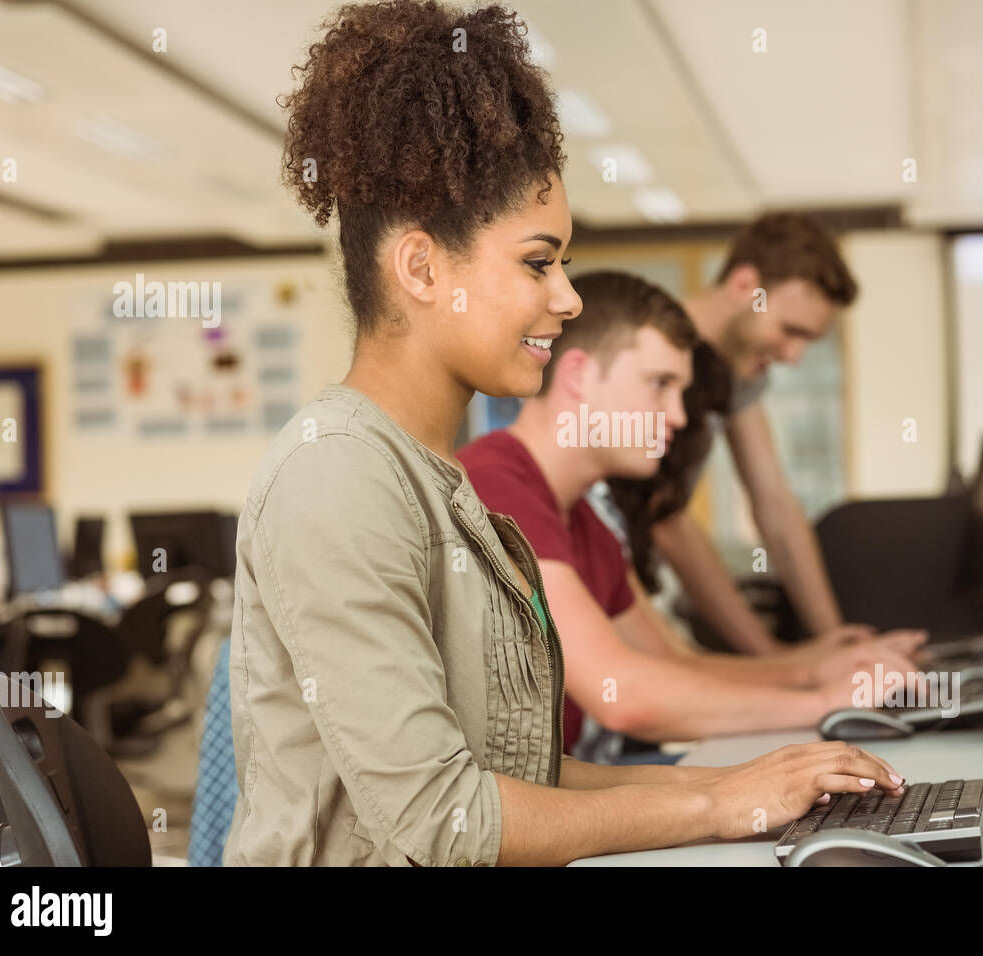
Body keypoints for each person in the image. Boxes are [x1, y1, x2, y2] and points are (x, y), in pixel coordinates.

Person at [225, 0, 906, 868]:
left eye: (564, 265)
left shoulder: (439, 482)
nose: (568, 298)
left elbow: (519, 775)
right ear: (423, 268)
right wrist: (718, 803)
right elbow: (444, 819)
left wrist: (747, 783)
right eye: (537, 262)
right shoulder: (337, 477)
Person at [459, 271, 927, 758]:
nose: (679, 416)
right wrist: (826, 702)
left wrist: (814, 671)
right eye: (659, 384)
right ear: (579, 375)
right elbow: (624, 697)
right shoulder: (496, 488)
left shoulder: (585, 519)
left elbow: (669, 663)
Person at [654, 212, 864, 654]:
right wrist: (774, 659)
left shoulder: (737, 371)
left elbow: (775, 504)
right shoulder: (654, 354)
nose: (794, 356)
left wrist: (836, 643)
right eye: (790, 330)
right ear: (745, 285)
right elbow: (665, 518)